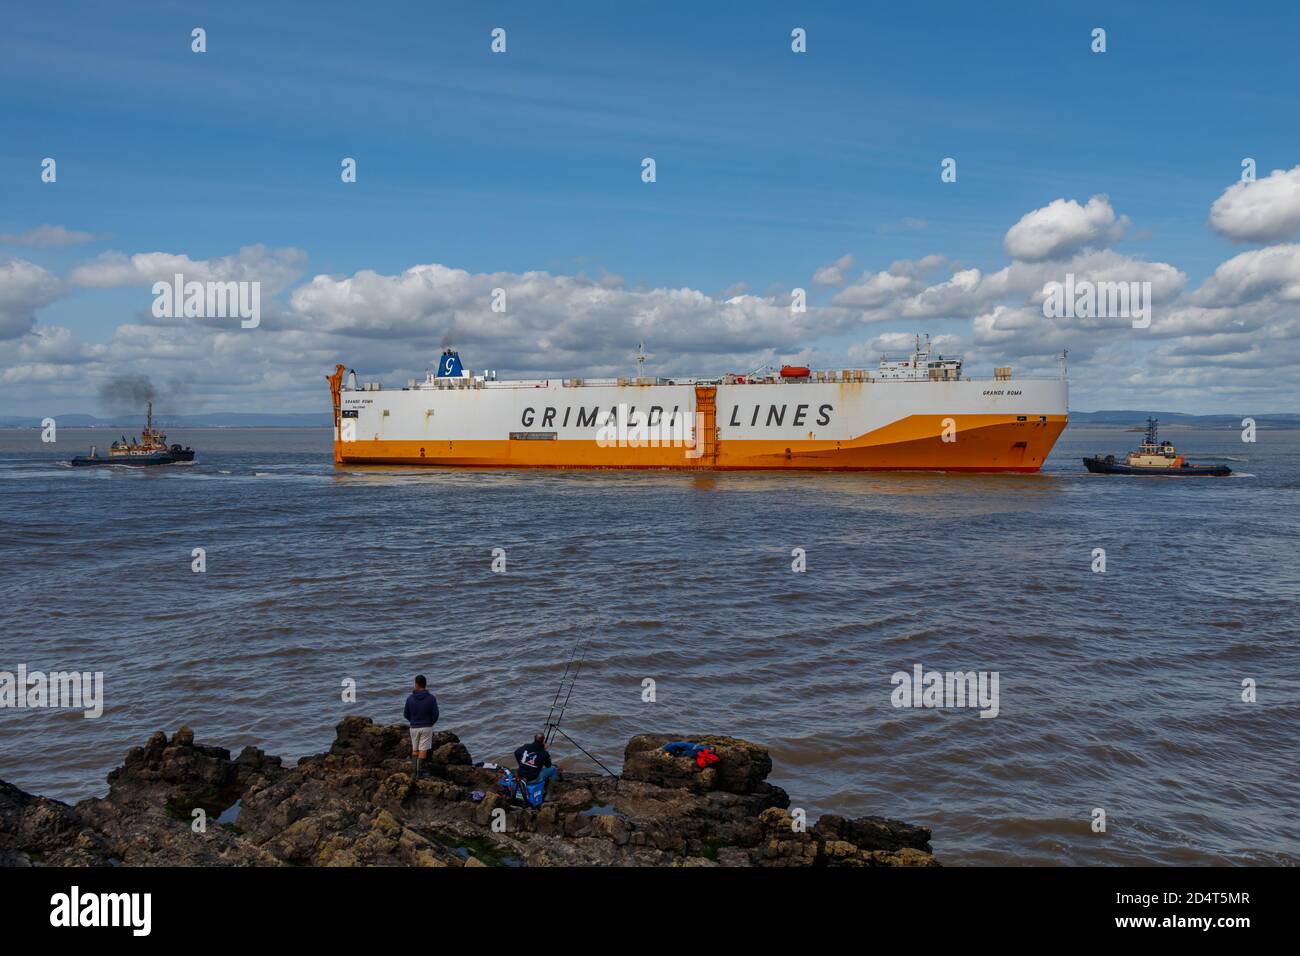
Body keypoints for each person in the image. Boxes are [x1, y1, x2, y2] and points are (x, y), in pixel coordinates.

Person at [403, 674, 439, 778]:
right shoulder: (431, 698)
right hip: (427, 726)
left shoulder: (410, 699)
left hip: (414, 727)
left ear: (416, 684)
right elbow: (436, 714)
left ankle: (414, 773)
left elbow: (406, 714)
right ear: (425, 684)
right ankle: (420, 773)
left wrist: (413, 721)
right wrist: (430, 723)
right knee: (423, 750)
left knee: (415, 749)